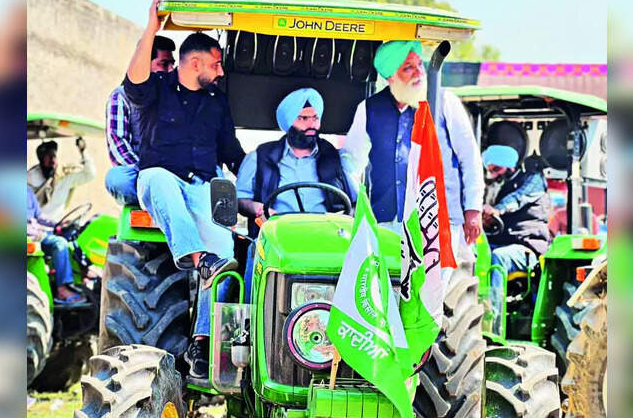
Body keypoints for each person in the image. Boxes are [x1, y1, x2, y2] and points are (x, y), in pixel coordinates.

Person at [120, 0, 247, 380]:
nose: (221, 71)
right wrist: (151, 26)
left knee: (224, 252)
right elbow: (132, 81)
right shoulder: (156, 87)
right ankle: (195, 258)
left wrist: (259, 192)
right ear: (195, 63)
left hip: (202, 188)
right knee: (157, 177)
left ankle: (203, 342)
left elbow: (232, 153)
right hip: (162, 183)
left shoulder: (216, 102)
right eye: (216, 63)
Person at [342, 40, 483, 267]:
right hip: (388, 224)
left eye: (420, 64)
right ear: (391, 77)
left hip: (441, 222)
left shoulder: (445, 102)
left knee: (432, 298)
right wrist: (356, 206)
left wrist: (473, 209)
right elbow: (350, 162)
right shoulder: (369, 109)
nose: (419, 73)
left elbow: (470, 158)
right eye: (408, 68)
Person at [236, 88, 356, 297]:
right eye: (303, 118)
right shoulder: (260, 156)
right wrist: (259, 209)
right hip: (277, 234)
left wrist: (347, 218)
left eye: (315, 118)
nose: (311, 125)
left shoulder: (336, 159)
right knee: (254, 250)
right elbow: (240, 199)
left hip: (326, 235)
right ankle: (250, 314)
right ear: (289, 121)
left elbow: (354, 203)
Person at [104, 35, 176, 203]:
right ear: (144, 62)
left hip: (176, 174)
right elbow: (118, 146)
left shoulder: (176, 96)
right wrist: (150, 173)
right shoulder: (121, 96)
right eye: (164, 64)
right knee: (116, 179)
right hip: (140, 173)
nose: (171, 70)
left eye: (173, 64)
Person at [481, 145, 552, 274]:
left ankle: (493, 294)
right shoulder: (500, 189)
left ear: (510, 165)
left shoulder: (534, 180)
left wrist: (498, 210)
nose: (494, 174)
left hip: (528, 246)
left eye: (497, 169)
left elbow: (518, 198)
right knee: (474, 253)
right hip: (503, 243)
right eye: (491, 171)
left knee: (498, 257)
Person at [27, 185, 84, 306]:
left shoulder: (27, 190)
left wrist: (58, 223)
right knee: (59, 243)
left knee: (67, 243)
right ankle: (62, 291)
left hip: (38, 235)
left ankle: (79, 281)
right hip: (28, 238)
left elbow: (39, 216)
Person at [27, 137, 95, 220]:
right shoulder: (31, 177)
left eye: (54, 156)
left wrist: (83, 151)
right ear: (41, 160)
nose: (52, 160)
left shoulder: (64, 179)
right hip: (34, 226)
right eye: (48, 156)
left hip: (55, 227)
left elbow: (90, 175)